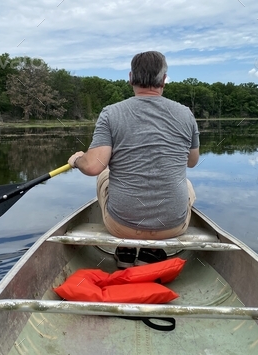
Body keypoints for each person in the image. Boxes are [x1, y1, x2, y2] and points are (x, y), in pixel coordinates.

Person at [68, 51, 199, 265]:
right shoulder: (186, 114)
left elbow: (93, 166)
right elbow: (192, 162)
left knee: (105, 176)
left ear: (130, 78)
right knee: (187, 185)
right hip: (172, 228)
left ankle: (127, 247)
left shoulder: (111, 113)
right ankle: (150, 254)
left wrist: (77, 159)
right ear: (164, 80)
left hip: (122, 226)